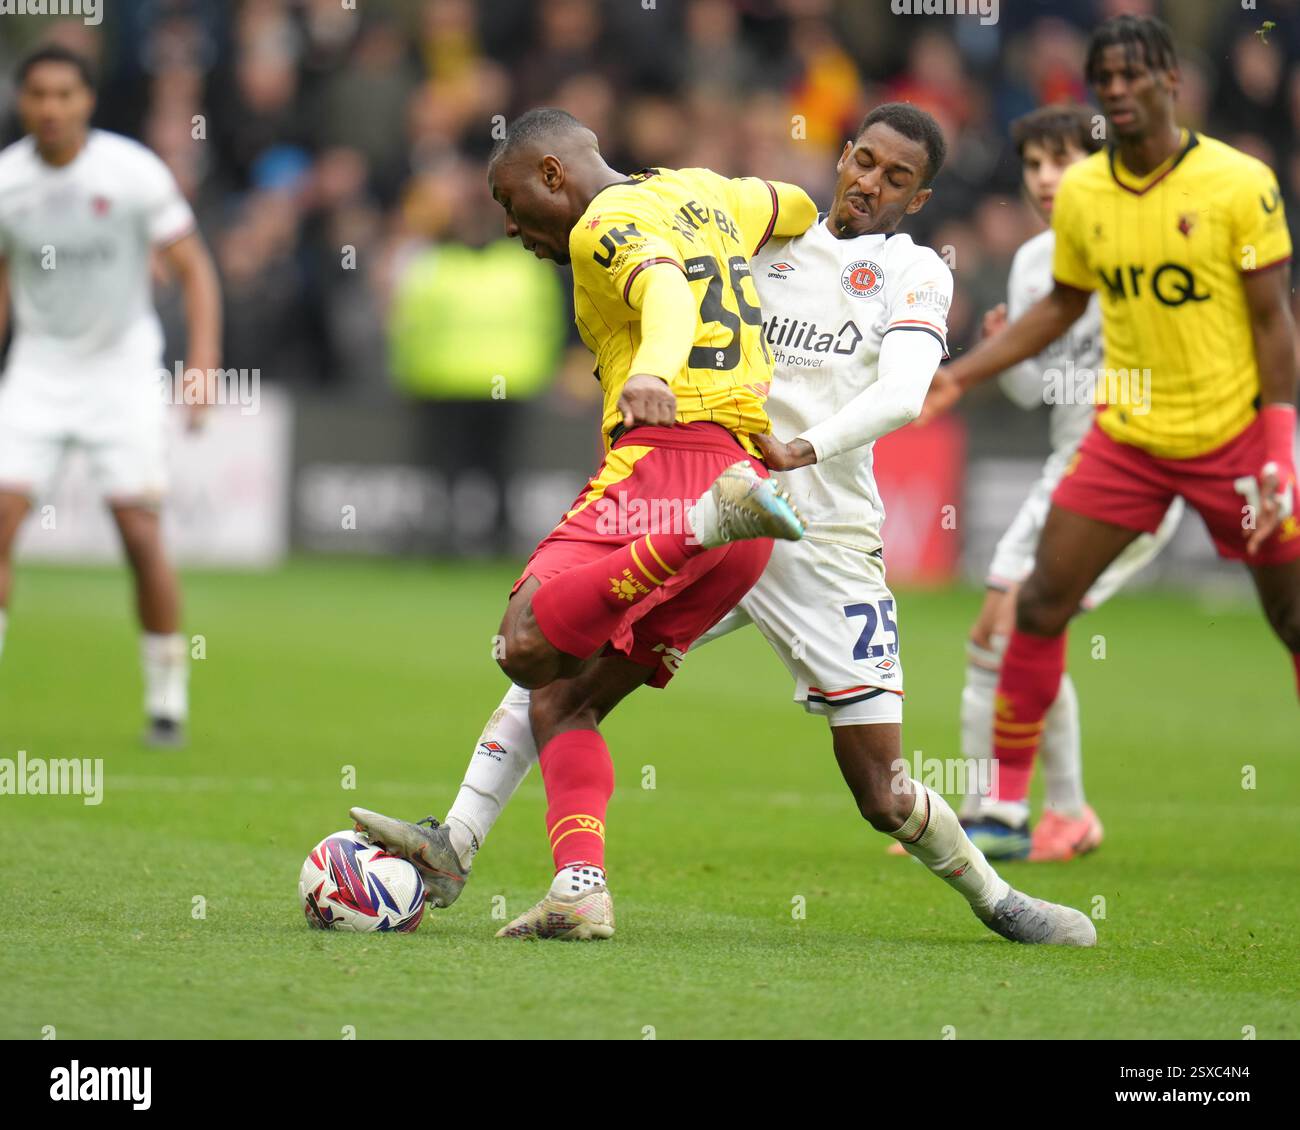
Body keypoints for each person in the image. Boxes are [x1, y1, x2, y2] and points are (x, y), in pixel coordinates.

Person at [353, 105, 1097, 948]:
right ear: (844, 155)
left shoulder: (916, 272)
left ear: (919, 200)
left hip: (824, 538)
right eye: (863, 160)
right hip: (707, 498)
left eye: (897, 178)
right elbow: (710, 215)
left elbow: (903, 393)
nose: (869, 184)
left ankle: (999, 901)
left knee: (882, 792)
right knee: (557, 678)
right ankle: (465, 844)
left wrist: (799, 448)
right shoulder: (763, 237)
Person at [922, 14, 1298, 844]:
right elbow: (1061, 305)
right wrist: (961, 372)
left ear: (1172, 81)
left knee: (1292, 619)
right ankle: (1011, 812)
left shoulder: (1240, 183)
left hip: (1233, 437)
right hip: (1125, 442)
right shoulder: (1089, 194)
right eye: (1106, 78)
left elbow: (1275, 321)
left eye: (1135, 75)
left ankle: (1045, 805)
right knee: (1040, 601)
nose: (1119, 89)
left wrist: (1280, 446)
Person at [923, 104, 1182, 862]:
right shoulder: (1038, 262)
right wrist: (1007, 351)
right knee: (1007, 632)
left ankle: (1011, 814)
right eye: (1033, 164)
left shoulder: (1147, 244)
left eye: (1061, 161)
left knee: (1015, 628)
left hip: (1131, 469)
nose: (1044, 178)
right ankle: (1032, 813)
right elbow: (1040, 392)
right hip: (1066, 468)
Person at [0, 46, 222, 748]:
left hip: (121, 369)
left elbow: (194, 269)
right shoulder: (7, 183)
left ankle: (166, 698)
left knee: (138, 530)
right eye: (38, 94)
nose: (51, 107)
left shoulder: (131, 173)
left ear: (86, 101)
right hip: (37, 367)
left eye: (65, 94)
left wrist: (203, 365)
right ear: (23, 101)